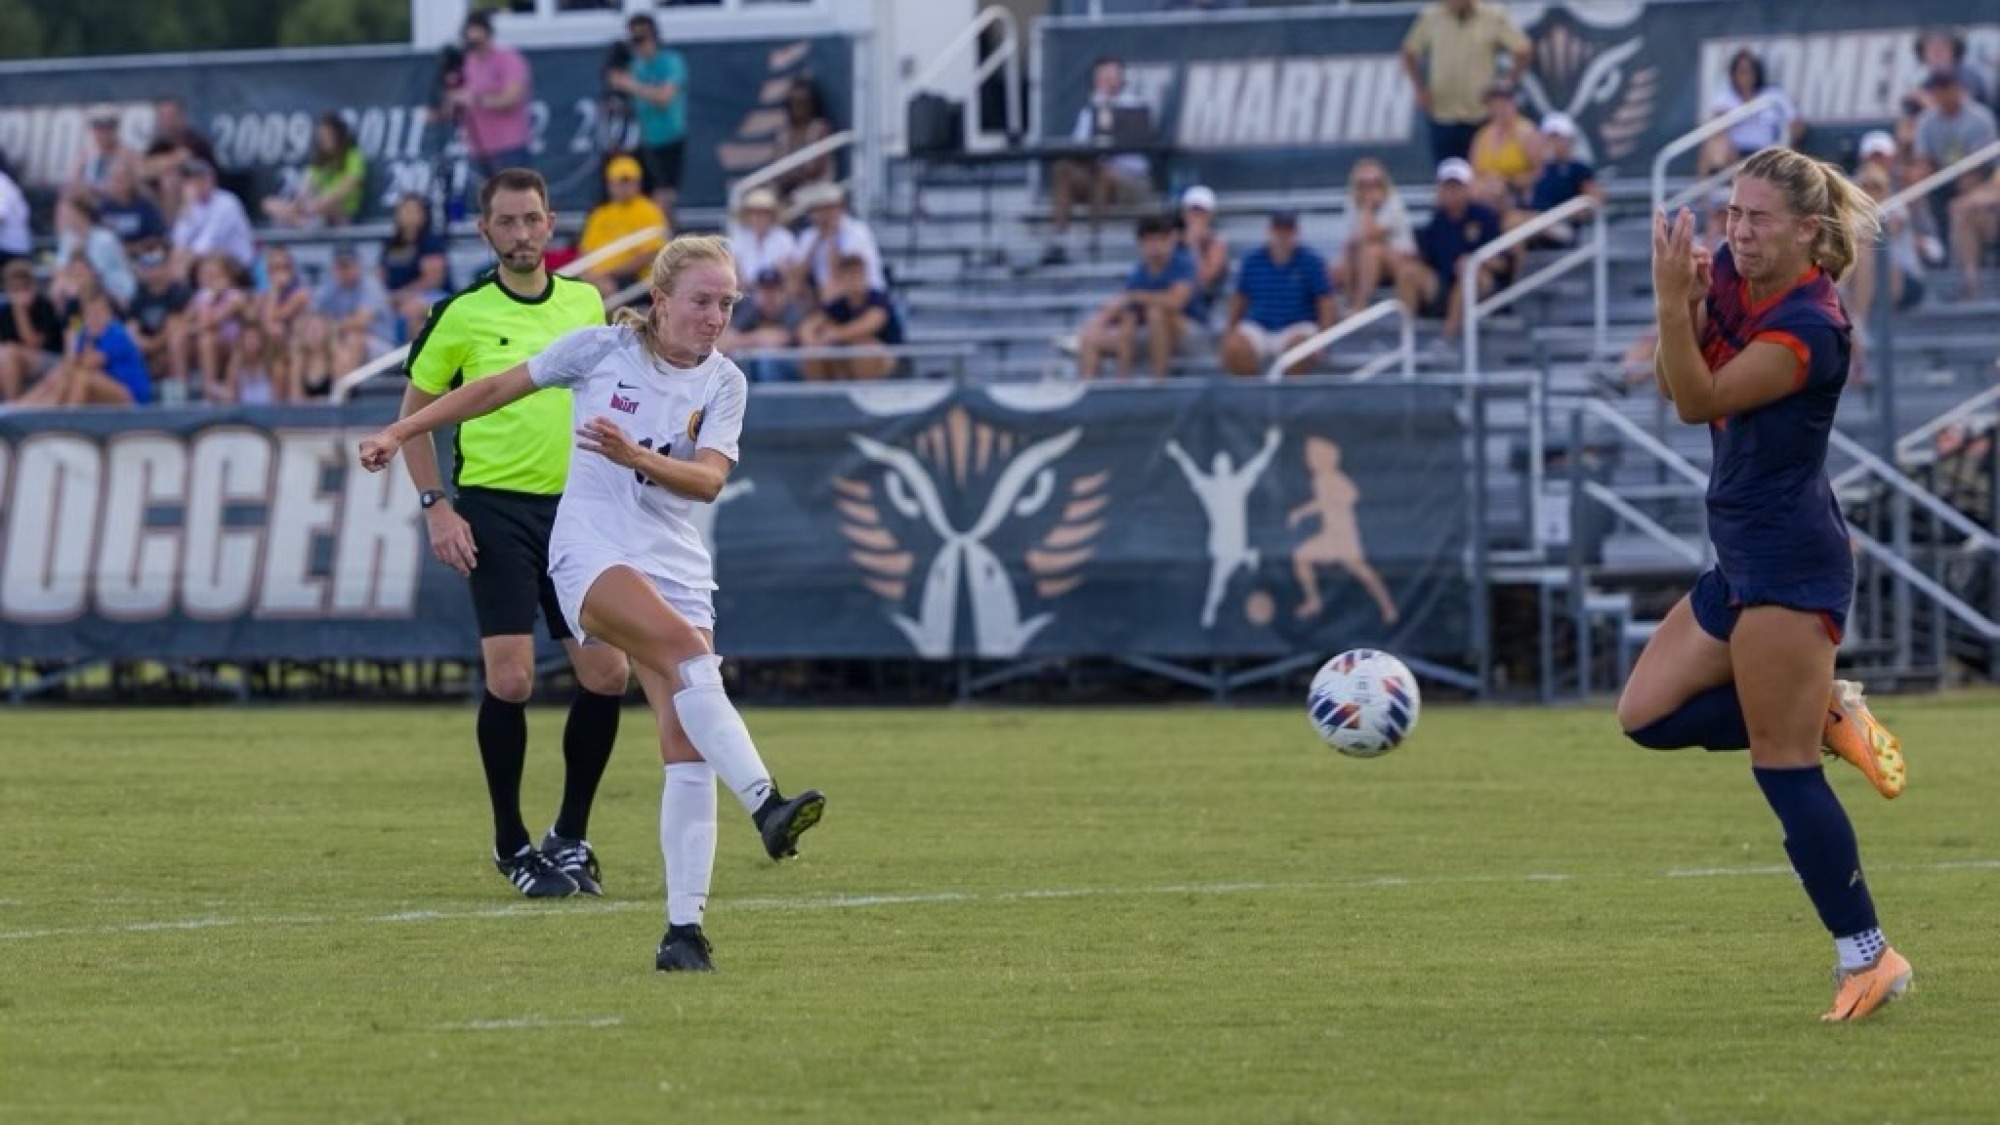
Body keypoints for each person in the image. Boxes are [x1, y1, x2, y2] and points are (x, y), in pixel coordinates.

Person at [359, 234, 828, 973]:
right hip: (592, 551)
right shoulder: (601, 349)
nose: (715, 316)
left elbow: (706, 482)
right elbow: (489, 390)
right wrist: (402, 428)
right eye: (702, 301)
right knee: (687, 660)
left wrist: (638, 456)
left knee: (684, 743)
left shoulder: (726, 381)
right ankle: (766, 802)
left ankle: (684, 932)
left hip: (674, 560)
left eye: (727, 304)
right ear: (662, 300)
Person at [1620, 147, 1912, 1022]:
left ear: (1806, 232)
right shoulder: (1728, 274)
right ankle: (1823, 710)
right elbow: (1679, 378)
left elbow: (1695, 399)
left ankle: (1868, 956)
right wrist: (1683, 308)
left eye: (1757, 220)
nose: (1737, 232)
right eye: (1731, 214)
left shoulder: (1815, 327)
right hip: (1741, 554)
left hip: (1790, 563)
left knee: (1780, 771)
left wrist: (1673, 304)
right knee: (1646, 716)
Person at [397, 168, 629, 900]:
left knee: (608, 674)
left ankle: (569, 834)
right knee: (512, 678)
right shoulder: (459, 314)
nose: (523, 233)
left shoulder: (587, 301)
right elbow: (416, 416)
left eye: (533, 219)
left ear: (550, 223)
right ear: (485, 231)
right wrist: (437, 505)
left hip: (578, 510)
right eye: (508, 221)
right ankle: (511, 843)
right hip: (495, 509)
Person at [1045, 56, 1154, 264]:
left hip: (1130, 182)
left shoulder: (1136, 107)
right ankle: (1058, 241)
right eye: (1102, 77)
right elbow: (1078, 146)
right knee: (1064, 169)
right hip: (1096, 176)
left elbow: (1142, 160)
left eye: (1112, 76)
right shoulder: (1089, 111)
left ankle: (1094, 241)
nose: (1107, 81)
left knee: (1105, 173)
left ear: (1121, 78)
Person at [1400, 0, 1531, 165]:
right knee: (1448, 174)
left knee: (1482, 175)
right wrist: (1419, 87)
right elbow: (1409, 51)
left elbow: (1522, 49)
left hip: (1480, 114)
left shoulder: (1493, 16)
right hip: (1442, 113)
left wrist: (1507, 82)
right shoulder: (1431, 17)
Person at [1395, 158, 1506, 343]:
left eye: (1457, 187)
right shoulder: (1437, 221)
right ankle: (1405, 342)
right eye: (1447, 187)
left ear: (1468, 188)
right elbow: (1429, 259)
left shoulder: (1486, 217)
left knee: (1469, 276)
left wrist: (1474, 261)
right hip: (1444, 284)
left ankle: (1447, 340)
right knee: (1408, 273)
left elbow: (1503, 262)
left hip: (1480, 284)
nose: (1451, 193)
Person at [1077, 212, 1197, 381]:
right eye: (1149, 241)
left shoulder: (1183, 263)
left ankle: (1159, 380)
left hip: (1187, 329)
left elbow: (1176, 301)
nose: (1154, 246)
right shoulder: (1139, 273)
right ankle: (1093, 387)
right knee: (1097, 335)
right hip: (1150, 333)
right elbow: (1126, 302)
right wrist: (1099, 321)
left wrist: (1137, 297)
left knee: (1156, 313)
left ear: (1170, 240)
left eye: (1159, 240)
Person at [1219, 212, 1336, 378]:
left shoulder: (1312, 262)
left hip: (1297, 326)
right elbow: (1240, 298)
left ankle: (1288, 397)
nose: (1282, 236)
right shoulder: (1252, 261)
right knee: (1235, 349)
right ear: (1269, 231)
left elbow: (1325, 301)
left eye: (1287, 230)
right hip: (1258, 326)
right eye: (1278, 230)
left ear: (1296, 232)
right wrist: (1229, 331)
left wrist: (1323, 338)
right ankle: (1255, 394)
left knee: (1302, 349)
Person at [17, 284, 151, 408]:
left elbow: (88, 363)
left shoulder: (117, 334)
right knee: (61, 374)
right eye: (90, 313)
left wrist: (76, 354)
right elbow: (70, 362)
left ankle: (65, 419)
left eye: (99, 312)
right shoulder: (84, 332)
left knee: (81, 376)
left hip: (131, 397)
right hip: (101, 394)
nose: (95, 317)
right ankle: (22, 407)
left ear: (109, 312)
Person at [609, 14, 688, 222]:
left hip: (669, 138)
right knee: (639, 196)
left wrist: (632, 85)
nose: (639, 45)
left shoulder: (671, 61)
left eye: (643, 38)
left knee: (664, 197)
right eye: (635, 39)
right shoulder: (633, 65)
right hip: (642, 141)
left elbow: (665, 97)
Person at [295, 246, 395, 400]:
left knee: (353, 338)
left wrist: (328, 326)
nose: (344, 271)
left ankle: (343, 400)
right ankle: (298, 401)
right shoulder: (331, 287)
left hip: (382, 348)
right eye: (340, 266)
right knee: (310, 340)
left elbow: (361, 321)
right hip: (342, 343)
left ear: (357, 265)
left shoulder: (370, 285)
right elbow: (311, 315)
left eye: (348, 266)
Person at [446, 12, 535, 180]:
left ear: (487, 34)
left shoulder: (509, 59)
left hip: (509, 146)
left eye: (477, 39)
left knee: (513, 197)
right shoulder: (466, 63)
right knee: (485, 200)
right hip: (477, 148)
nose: (474, 45)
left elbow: (512, 98)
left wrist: (476, 99)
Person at [1697, 50, 1803, 179]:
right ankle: (1705, 197)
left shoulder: (1773, 96)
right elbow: (1717, 127)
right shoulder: (1726, 98)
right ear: (1733, 75)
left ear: (1756, 73)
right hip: (1733, 153)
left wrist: (1785, 142)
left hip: (1765, 149)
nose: (1745, 76)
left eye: (1749, 71)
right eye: (1741, 72)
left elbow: (1797, 124)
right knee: (1713, 146)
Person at [799, 253, 903, 381]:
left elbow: (869, 324)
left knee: (864, 348)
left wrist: (835, 334)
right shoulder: (839, 304)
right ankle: (818, 397)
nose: (854, 280)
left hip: (891, 359)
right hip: (846, 357)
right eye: (849, 276)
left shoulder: (878, 299)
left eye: (857, 274)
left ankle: (865, 394)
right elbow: (808, 325)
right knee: (814, 353)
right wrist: (812, 340)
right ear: (841, 280)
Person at [577, 155, 668, 298]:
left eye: (628, 182)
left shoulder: (649, 210)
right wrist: (592, 274)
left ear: (638, 183)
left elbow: (650, 253)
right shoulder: (600, 214)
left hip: (636, 279)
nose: (624, 187)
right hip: (600, 276)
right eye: (619, 182)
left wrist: (609, 272)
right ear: (610, 184)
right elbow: (586, 251)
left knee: (604, 288)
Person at [262, 114, 367, 229]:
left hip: (342, 212)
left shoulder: (353, 156)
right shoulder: (320, 161)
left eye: (328, 135)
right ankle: (304, 224)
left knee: (329, 204)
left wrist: (318, 204)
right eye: (321, 135)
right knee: (268, 203)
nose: (324, 139)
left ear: (338, 135)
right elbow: (307, 187)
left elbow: (345, 189)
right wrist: (298, 202)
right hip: (315, 209)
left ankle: (302, 222)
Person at [1336, 158, 1415, 307]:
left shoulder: (1393, 203)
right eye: (1363, 185)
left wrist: (1368, 206)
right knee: (1335, 268)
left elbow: (1370, 234)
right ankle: (1347, 304)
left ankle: (1360, 305)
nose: (1369, 189)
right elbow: (1352, 240)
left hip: (1400, 257)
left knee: (1372, 251)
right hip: (1363, 257)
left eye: (1375, 184)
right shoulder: (1352, 204)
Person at [788, 181, 885, 298]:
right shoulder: (810, 235)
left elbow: (843, 273)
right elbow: (797, 276)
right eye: (816, 209)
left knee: (832, 289)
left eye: (826, 208)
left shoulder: (857, 231)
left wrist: (831, 239)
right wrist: (815, 243)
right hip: (826, 295)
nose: (821, 214)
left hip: (867, 295)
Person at [169, 159, 257, 281]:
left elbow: (208, 241)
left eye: (201, 178)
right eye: (191, 180)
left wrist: (182, 267)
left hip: (238, 266)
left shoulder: (227, 202)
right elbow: (179, 241)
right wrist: (187, 206)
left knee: (198, 263)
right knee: (175, 260)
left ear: (211, 180)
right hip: (206, 263)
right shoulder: (192, 205)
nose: (196, 184)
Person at [381, 193, 453, 341]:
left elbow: (433, 280)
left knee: (412, 311)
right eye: (405, 210)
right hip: (397, 297)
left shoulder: (430, 242)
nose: (409, 215)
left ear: (423, 215)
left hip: (435, 295)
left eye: (414, 211)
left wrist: (403, 294)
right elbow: (380, 274)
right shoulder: (391, 244)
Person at [720, 266, 807, 384]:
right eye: (764, 291)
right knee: (734, 360)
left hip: (793, 371)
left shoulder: (791, 310)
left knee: (767, 361)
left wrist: (744, 340)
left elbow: (778, 340)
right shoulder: (750, 310)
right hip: (755, 368)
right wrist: (758, 337)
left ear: (783, 292)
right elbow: (725, 341)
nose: (769, 296)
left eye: (774, 290)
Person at [126, 250, 191, 404]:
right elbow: (131, 328)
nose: (153, 272)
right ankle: (136, 399)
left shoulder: (178, 291)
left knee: (176, 342)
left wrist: (154, 348)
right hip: (149, 347)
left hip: (175, 345)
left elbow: (174, 326)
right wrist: (146, 346)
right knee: (129, 346)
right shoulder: (138, 294)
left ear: (166, 268)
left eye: (157, 267)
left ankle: (179, 397)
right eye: (148, 268)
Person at [53, 194, 136, 312]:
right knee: (58, 288)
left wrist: (72, 283)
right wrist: (63, 282)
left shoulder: (105, 239)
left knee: (76, 288)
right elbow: (60, 270)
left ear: (81, 214)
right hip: (81, 285)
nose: (65, 218)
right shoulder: (68, 239)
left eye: (68, 213)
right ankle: (67, 324)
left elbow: (95, 274)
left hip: (112, 287)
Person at [1468, 81, 1541, 214]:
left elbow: (1541, 172)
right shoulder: (1482, 136)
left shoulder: (1526, 132)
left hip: (1517, 194)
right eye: (1494, 104)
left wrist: (1510, 181)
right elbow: (1474, 173)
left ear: (1513, 103)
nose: (1499, 109)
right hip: (1487, 192)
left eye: (1504, 103)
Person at [0, 260, 63, 401]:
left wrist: (20, 312)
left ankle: (13, 405)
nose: (20, 293)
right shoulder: (4, 312)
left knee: (10, 352)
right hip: (15, 360)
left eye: (24, 287)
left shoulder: (44, 307)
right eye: (14, 288)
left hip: (49, 359)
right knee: (6, 354)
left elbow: (34, 345)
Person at [770, 77, 836, 206]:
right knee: (762, 201)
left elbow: (818, 168)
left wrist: (792, 177)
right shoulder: (783, 132)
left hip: (816, 188)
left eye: (804, 102)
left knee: (789, 205)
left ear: (812, 104)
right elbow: (777, 165)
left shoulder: (820, 128)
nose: (798, 107)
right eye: (794, 102)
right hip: (786, 188)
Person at [725, 188, 797, 292]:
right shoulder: (738, 239)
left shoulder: (784, 237)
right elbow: (735, 271)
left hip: (777, 292)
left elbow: (788, 270)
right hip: (746, 293)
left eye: (764, 213)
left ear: (771, 215)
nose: (759, 217)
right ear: (748, 216)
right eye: (754, 213)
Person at [1176, 185, 1228, 328]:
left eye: (1201, 212)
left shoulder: (1217, 243)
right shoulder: (1173, 242)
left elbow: (1203, 281)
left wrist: (1193, 246)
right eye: (1192, 211)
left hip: (1201, 307)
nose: (1196, 217)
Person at [68, 105, 143, 202]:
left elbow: (139, 183)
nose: (103, 133)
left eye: (108, 127)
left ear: (115, 128)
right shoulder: (83, 155)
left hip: (118, 205)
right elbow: (72, 184)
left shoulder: (128, 154)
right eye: (98, 127)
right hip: (90, 205)